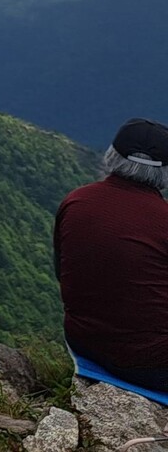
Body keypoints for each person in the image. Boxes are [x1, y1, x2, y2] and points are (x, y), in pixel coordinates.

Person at [55, 117, 168, 391]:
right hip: (154, 366)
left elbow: (63, 273)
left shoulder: (75, 202)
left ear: (112, 155)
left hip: (85, 344)